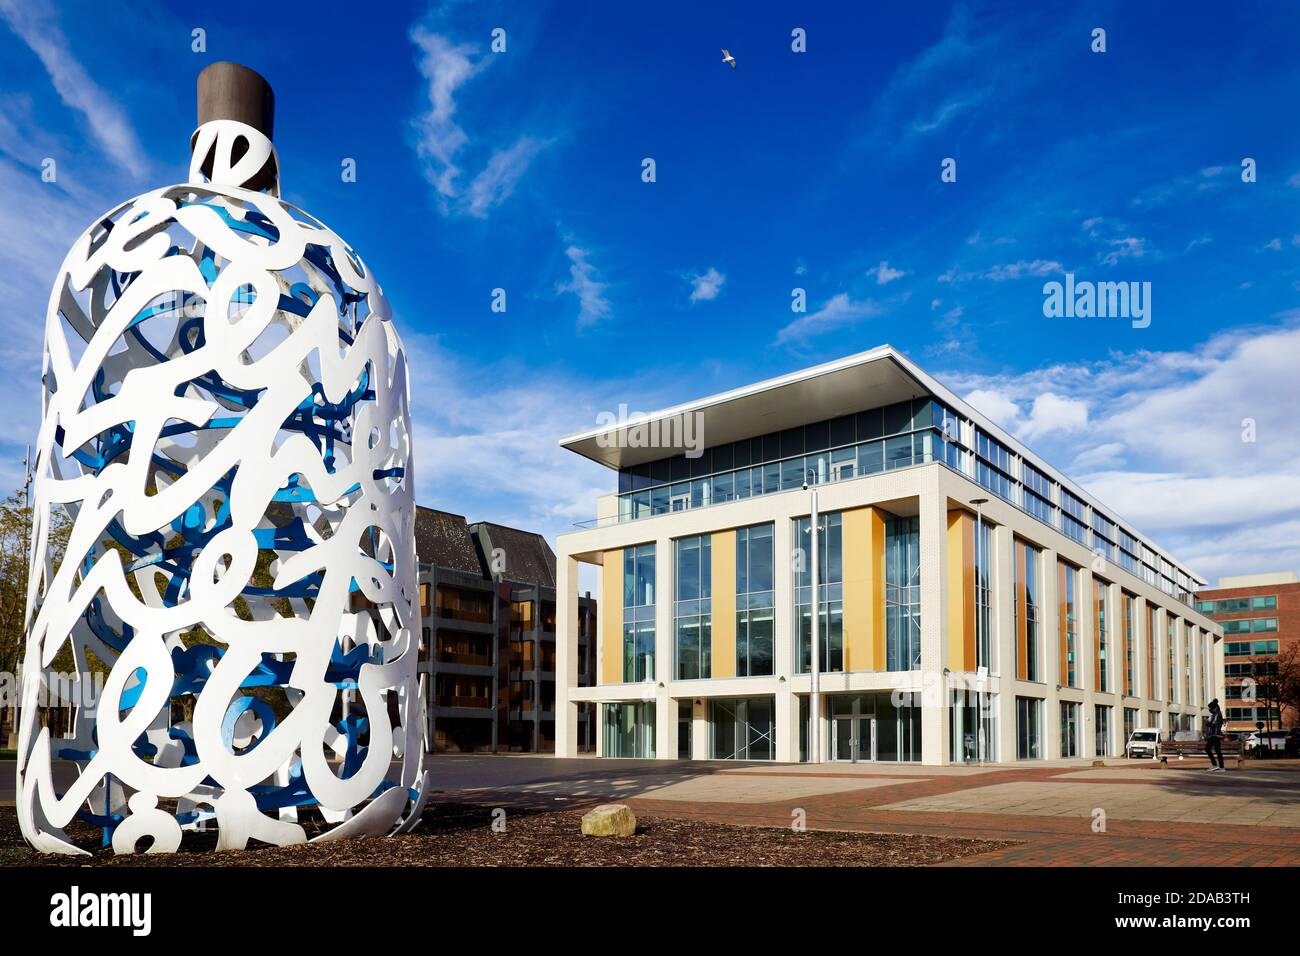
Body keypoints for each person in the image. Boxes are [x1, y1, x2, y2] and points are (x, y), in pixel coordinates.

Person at [1204, 699, 1225, 773]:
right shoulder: (1216, 714)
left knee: (1208, 748)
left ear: (1215, 708)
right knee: (1217, 751)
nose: (1210, 710)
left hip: (1215, 735)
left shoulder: (1217, 715)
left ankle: (1216, 765)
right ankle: (1221, 767)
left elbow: (1213, 724)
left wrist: (1207, 723)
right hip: (1215, 735)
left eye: (1211, 708)